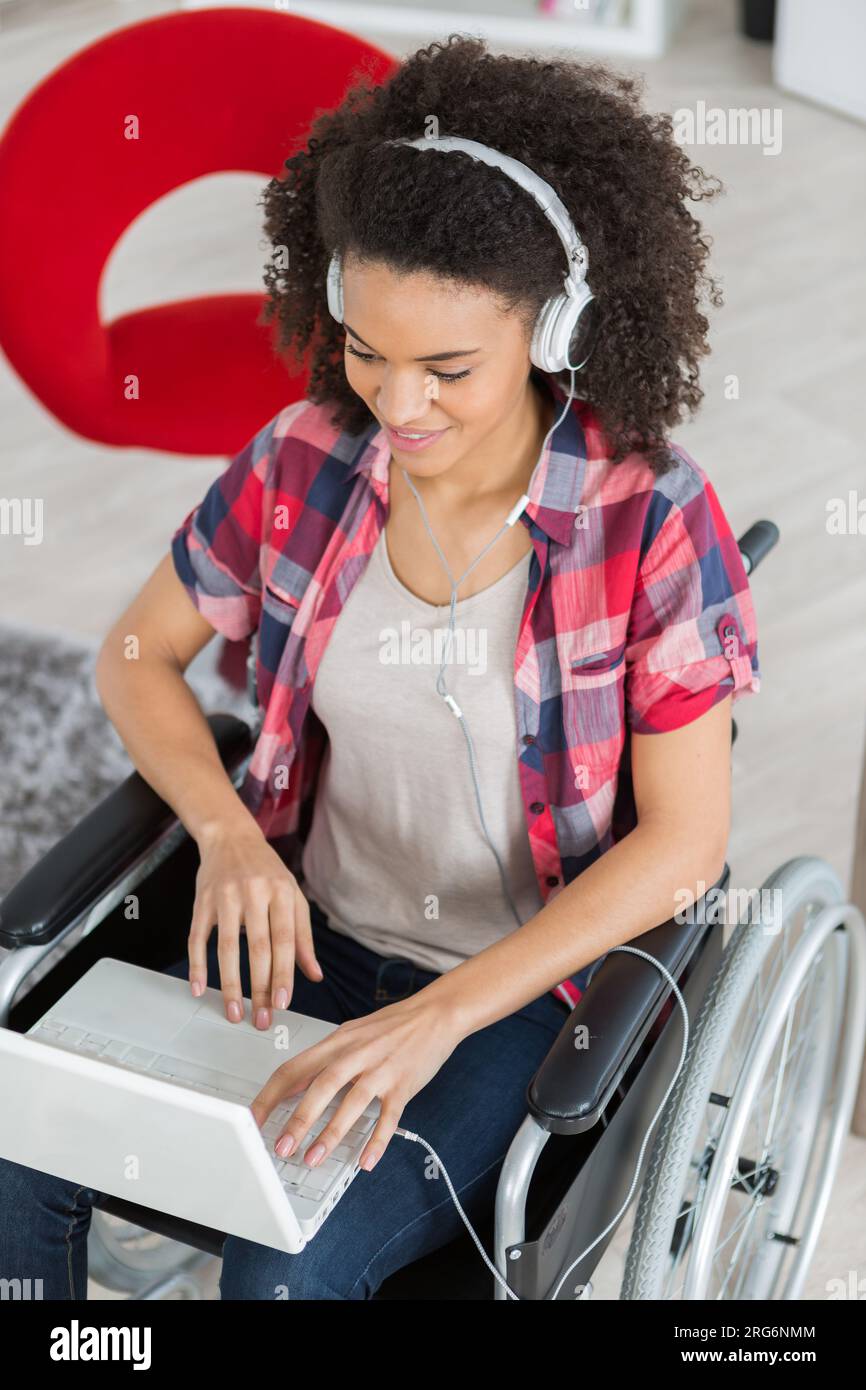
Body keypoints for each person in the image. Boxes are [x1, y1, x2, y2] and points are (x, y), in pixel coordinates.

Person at [0, 35, 760, 1300]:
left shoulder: (652, 519)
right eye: (363, 346)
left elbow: (685, 846)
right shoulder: (309, 454)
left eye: (446, 369)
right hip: (310, 934)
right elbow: (139, 656)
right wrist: (231, 837)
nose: (394, 406)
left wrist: (440, 1015)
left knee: (276, 1269)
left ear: (554, 325)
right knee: (18, 1160)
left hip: (512, 993)